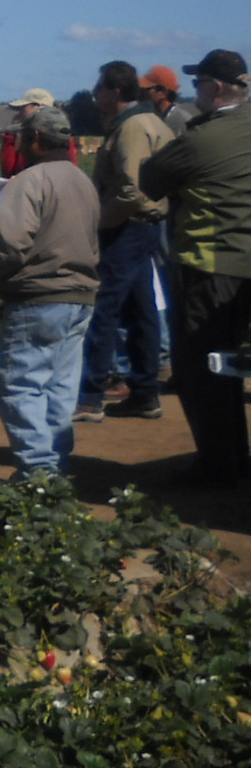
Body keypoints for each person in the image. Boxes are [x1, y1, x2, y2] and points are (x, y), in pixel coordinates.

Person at [138, 48, 251, 487]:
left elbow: (151, 179)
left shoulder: (201, 139)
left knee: (204, 368)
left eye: (200, 82)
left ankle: (221, 463)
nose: (194, 90)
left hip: (211, 264)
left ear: (218, 88)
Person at [0, 107, 100, 480]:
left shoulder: (29, 181)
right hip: (81, 296)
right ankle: (56, 465)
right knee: (60, 386)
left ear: (34, 139)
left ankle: (38, 471)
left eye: (20, 136)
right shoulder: (83, 181)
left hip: (39, 296)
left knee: (20, 384)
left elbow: (10, 244)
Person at [80, 60, 176, 422]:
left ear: (116, 91)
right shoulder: (151, 121)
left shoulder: (132, 128)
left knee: (104, 310)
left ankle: (90, 396)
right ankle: (145, 392)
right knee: (142, 309)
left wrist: (98, 223)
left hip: (126, 227)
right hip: (147, 226)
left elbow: (130, 190)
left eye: (100, 87)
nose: (95, 94)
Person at [0, 89, 78, 177]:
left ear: (40, 106)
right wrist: (10, 136)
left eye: (22, 108)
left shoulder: (61, 138)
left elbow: (8, 171)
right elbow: (7, 172)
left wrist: (10, 138)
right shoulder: (63, 134)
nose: (18, 114)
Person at [140, 64, 195, 135]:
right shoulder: (153, 117)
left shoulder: (182, 122)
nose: (141, 93)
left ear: (163, 93)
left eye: (146, 89)